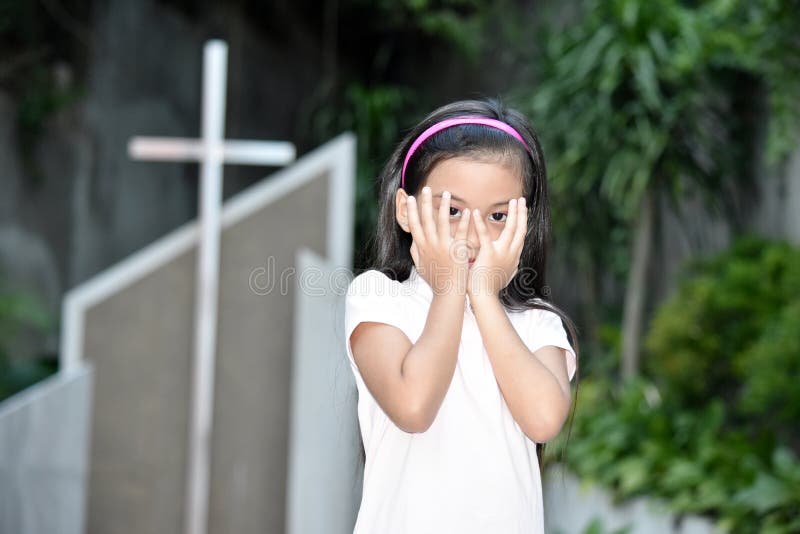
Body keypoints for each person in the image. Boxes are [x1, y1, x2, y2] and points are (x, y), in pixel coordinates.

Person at [344, 97, 579, 533]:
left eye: (497, 216)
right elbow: (414, 405)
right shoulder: (379, 299)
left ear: (525, 224)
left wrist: (485, 299)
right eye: (452, 211)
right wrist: (451, 288)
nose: (473, 234)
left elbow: (544, 419)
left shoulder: (537, 323)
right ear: (405, 210)